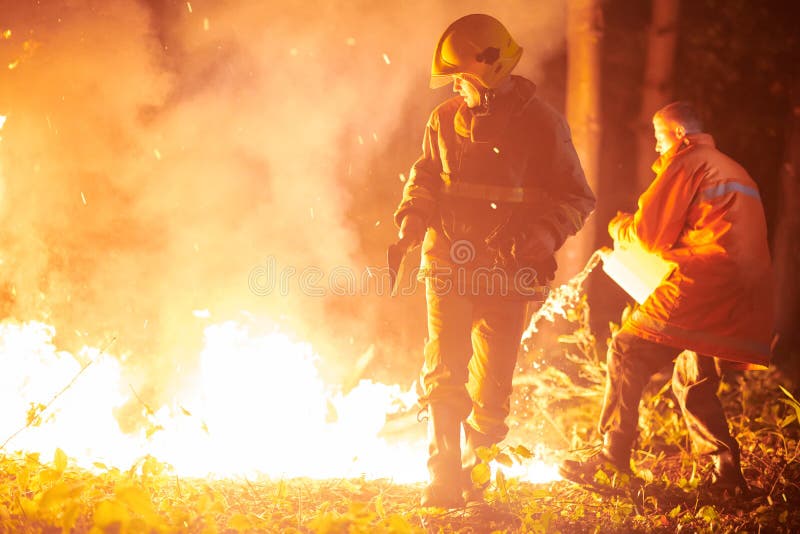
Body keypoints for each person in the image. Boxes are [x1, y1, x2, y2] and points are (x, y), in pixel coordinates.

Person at [393, 13, 596, 508]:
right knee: (444, 370)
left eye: (462, 77)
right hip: (447, 263)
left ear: (491, 69)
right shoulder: (443, 120)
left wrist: (544, 235)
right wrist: (411, 222)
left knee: (491, 389)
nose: (456, 86)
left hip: (509, 273)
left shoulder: (543, 125)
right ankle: (442, 478)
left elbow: (577, 197)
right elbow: (425, 177)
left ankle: (474, 474)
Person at [559, 101, 774, 497]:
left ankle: (611, 460)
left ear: (678, 134)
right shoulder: (734, 170)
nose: (657, 147)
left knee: (626, 350)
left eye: (659, 137)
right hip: (745, 292)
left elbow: (650, 236)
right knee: (694, 377)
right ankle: (727, 476)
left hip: (706, 281)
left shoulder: (687, 161)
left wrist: (620, 227)